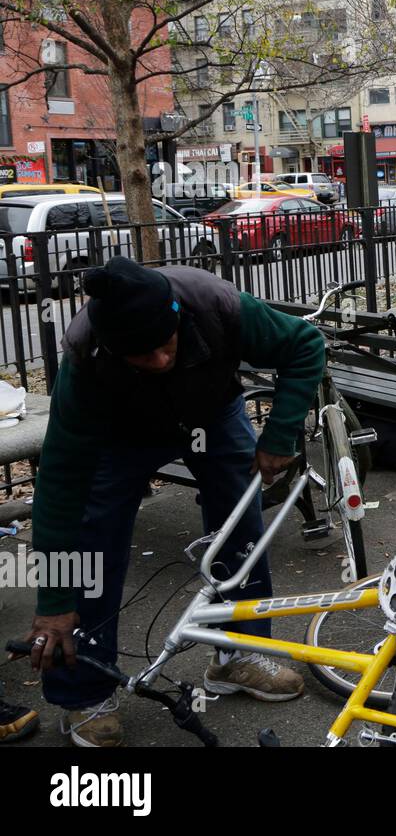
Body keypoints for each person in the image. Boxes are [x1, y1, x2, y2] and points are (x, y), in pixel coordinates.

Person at [22, 258, 323, 747]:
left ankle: (237, 655)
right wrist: (53, 602)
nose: (160, 361)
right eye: (142, 356)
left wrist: (280, 433)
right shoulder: (85, 360)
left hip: (212, 410)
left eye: (166, 346)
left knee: (240, 528)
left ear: (179, 316)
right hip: (121, 432)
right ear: (115, 351)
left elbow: (304, 344)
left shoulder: (218, 305)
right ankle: (86, 690)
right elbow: (60, 488)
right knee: (94, 541)